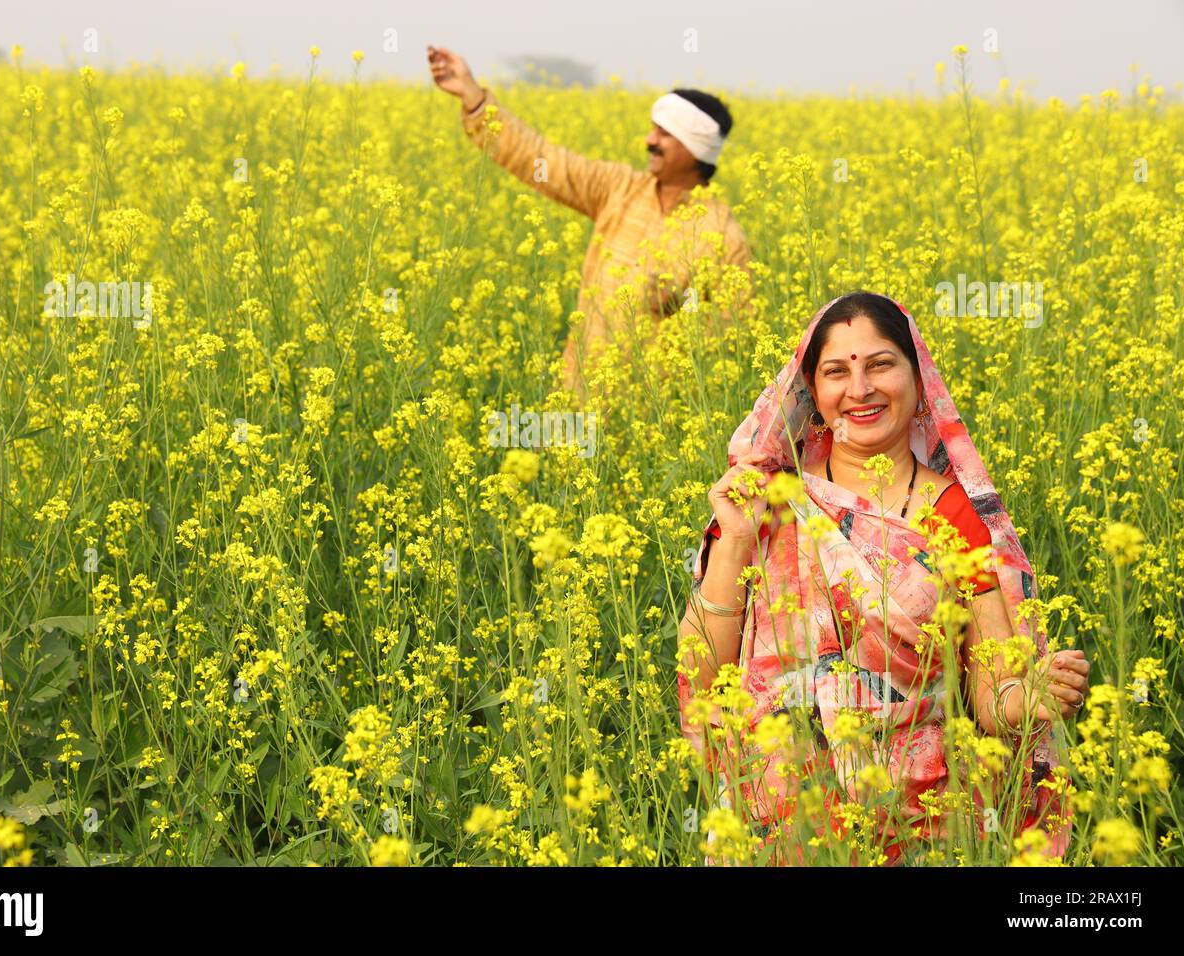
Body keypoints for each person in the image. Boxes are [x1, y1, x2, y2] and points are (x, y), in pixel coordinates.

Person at [676, 291, 1090, 865]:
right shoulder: (769, 501)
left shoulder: (957, 516)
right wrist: (737, 539)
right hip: (783, 824)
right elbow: (701, 673)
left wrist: (1034, 693)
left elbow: (994, 699)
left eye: (880, 364)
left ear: (918, 381)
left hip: (918, 823)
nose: (860, 389)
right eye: (836, 372)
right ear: (812, 397)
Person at [427, 44, 753, 396]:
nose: (649, 140)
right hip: (577, 392)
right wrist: (475, 100)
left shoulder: (724, 235)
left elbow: (735, 332)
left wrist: (683, 309)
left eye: (664, 134)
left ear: (696, 149)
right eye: (652, 130)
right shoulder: (619, 188)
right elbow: (542, 160)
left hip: (650, 414)